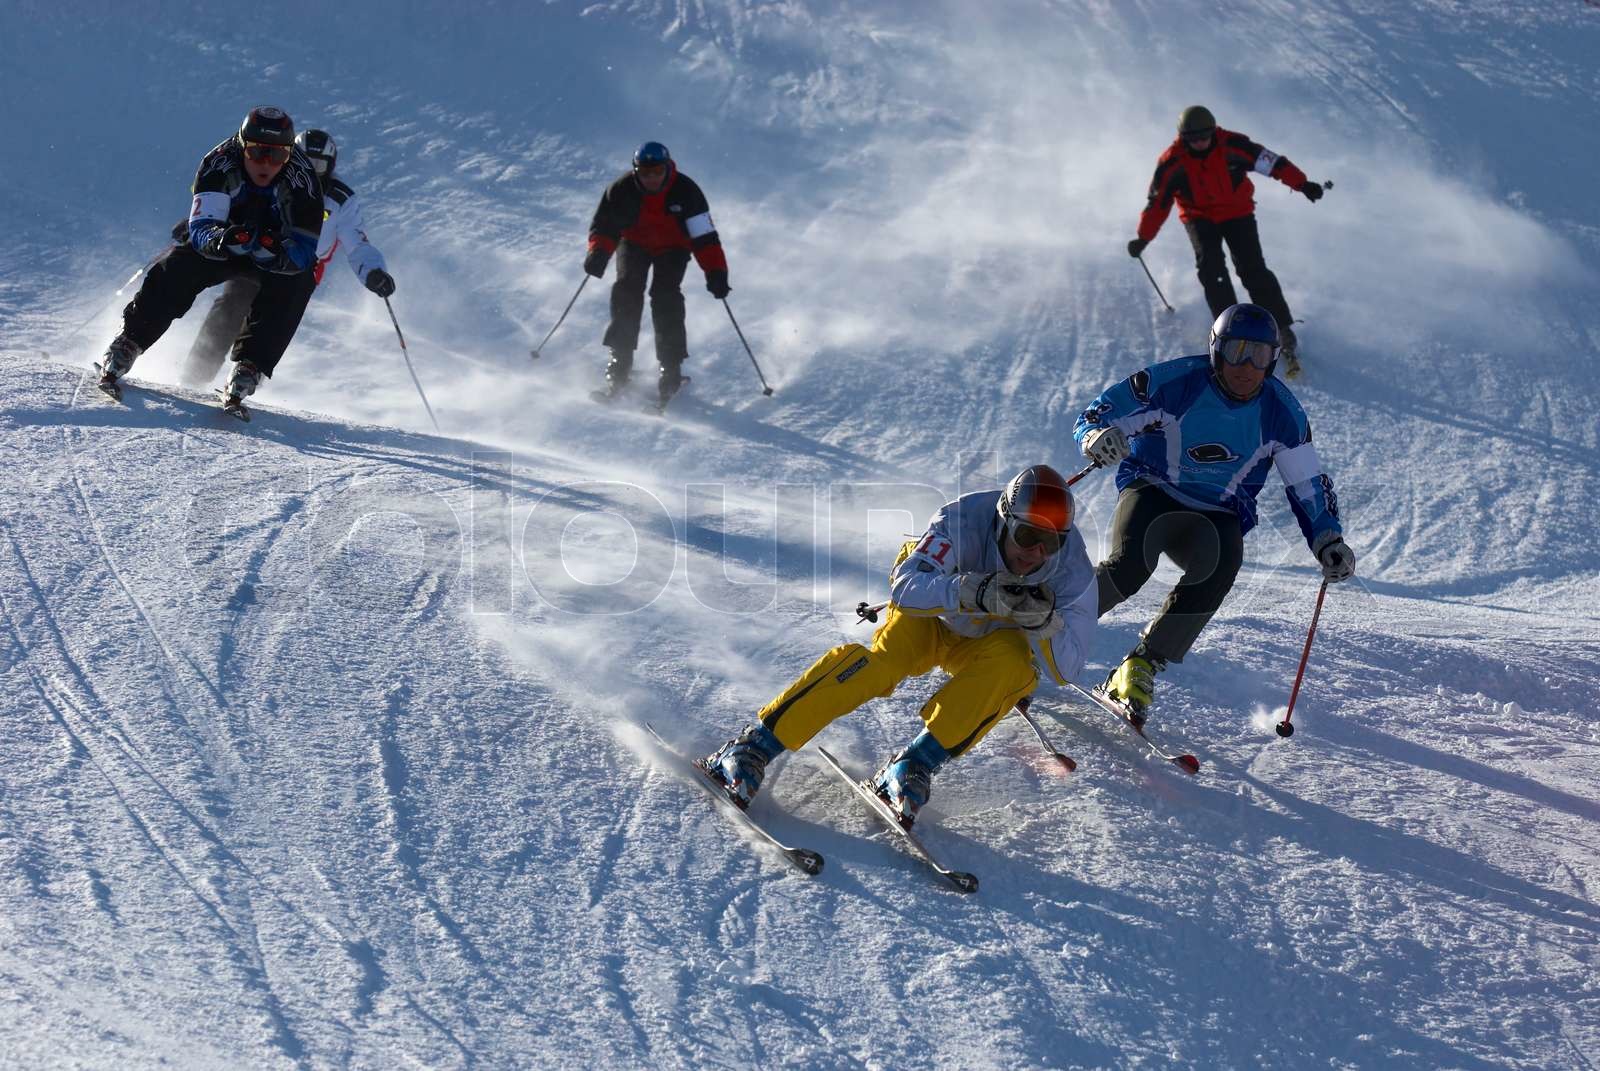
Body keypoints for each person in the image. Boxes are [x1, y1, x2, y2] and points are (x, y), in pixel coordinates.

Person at [701, 465, 1098, 828]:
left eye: (1050, 542)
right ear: (1004, 520)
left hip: (990, 637)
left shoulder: (1072, 569)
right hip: (933, 617)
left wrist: (1044, 624)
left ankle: (913, 764)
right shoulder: (962, 521)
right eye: (1027, 536)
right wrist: (968, 591)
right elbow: (906, 588)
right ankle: (754, 746)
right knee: (882, 664)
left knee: (1016, 670)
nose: (1036, 552)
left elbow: (1069, 669)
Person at [1073, 303, 1355, 725]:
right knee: (1132, 564)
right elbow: (1100, 413)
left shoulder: (1282, 413)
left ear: (1273, 359)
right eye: (1236, 351)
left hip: (1218, 511)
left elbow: (1307, 484)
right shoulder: (1177, 382)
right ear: (1216, 350)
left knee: (1221, 563)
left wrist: (1327, 539)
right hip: (1154, 489)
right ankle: (1053, 629)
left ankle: (1141, 665)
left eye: (1259, 355)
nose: (1246, 366)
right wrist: (1095, 435)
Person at [96, 106, 323, 406]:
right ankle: (130, 339)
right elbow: (201, 228)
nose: (266, 163)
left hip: (272, 254)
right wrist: (221, 239)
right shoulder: (218, 163)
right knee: (178, 267)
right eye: (257, 152)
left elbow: (304, 250)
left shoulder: (304, 180)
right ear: (241, 146)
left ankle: (251, 365)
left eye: (278, 155)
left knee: (299, 281)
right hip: (225, 243)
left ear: (289, 154)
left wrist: (277, 253)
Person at [176, 128, 394, 389]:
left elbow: (356, 243)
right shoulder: (276, 179)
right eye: (305, 160)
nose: (311, 170)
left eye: (319, 165)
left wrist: (373, 272)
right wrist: (196, 226)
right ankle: (196, 374)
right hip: (260, 250)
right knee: (234, 302)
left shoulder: (340, 199)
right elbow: (229, 204)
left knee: (274, 311)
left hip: (301, 265)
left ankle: (248, 370)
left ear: (331, 166)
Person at [1126, 106, 1327, 373]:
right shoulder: (1172, 163)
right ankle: (1230, 331)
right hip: (1199, 217)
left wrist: (1302, 184)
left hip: (1237, 212)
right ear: (1183, 138)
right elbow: (1158, 203)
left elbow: (1273, 163)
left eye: (1204, 136)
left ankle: (1279, 327)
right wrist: (1143, 237)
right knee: (1212, 271)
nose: (1200, 142)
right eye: (1193, 138)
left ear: (1213, 131)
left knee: (1252, 268)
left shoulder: (1233, 146)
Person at [583, 141, 729, 407]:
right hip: (634, 243)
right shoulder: (621, 190)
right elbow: (604, 227)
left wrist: (715, 271)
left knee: (665, 296)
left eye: (658, 171)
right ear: (636, 170)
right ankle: (621, 361)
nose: (651, 178)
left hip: (673, 248)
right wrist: (599, 253)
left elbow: (705, 238)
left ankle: (671, 369)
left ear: (667, 168)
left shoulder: (686, 191)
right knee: (626, 289)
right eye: (645, 172)